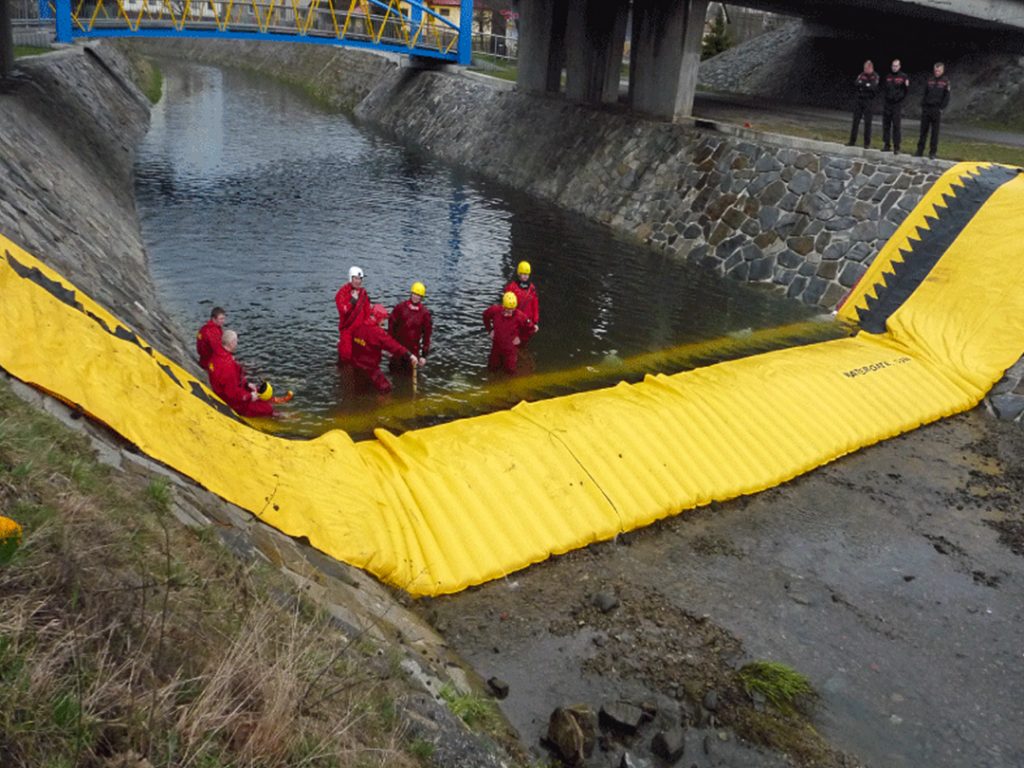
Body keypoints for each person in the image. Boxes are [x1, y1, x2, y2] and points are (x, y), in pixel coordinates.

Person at [351, 304, 418, 394]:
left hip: (356, 366)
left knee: (361, 391)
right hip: (371, 369)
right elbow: (393, 346)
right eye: (383, 319)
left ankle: (362, 405)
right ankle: (385, 406)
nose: (383, 322)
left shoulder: (358, 326)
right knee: (386, 389)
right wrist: (409, 355)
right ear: (379, 317)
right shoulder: (378, 333)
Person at [207, 329, 274, 418]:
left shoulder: (217, 355)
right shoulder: (227, 365)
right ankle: (276, 416)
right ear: (231, 343)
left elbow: (233, 381)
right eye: (236, 342)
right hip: (231, 401)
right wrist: (250, 396)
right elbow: (232, 393)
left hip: (222, 390)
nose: (237, 344)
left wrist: (247, 384)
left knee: (257, 391)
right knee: (267, 409)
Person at [483, 291, 536, 374]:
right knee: (492, 368)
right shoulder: (495, 310)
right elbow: (485, 316)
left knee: (510, 370)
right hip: (496, 346)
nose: (509, 313)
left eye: (512, 310)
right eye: (507, 310)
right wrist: (490, 330)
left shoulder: (520, 316)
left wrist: (521, 339)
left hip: (510, 349)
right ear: (503, 306)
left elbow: (531, 329)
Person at [389, 281, 432, 371]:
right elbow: (391, 327)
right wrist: (390, 347)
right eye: (414, 294)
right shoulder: (400, 308)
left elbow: (427, 336)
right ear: (411, 293)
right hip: (398, 349)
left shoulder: (425, 314)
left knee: (409, 374)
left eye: (418, 295)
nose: (416, 297)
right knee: (393, 373)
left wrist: (424, 356)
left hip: (413, 351)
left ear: (422, 297)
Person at [335, 265, 371, 364]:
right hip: (347, 331)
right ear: (350, 278)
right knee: (346, 358)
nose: (358, 281)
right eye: (356, 278)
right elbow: (344, 311)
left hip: (360, 332)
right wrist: (353, 300)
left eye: (360, 279)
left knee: (360, 358)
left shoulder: (363, 294)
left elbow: (367, 313)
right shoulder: (342, 293)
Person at [916, 62, 951, 160]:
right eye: (935, 70)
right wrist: (923, 105)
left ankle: (932, 152)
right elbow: (925, 93)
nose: (937, 72)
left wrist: (941, 108)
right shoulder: (930, 80)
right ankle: (919, 150)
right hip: (927, 108)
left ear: (942, 70)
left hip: (937, 109)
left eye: (939, 70)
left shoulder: (945, 81)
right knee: (923, 131)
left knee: (934, 133)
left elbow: (947, 96)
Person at [847, 60, 880, 149]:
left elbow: (873, 87)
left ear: (871, 68)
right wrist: (866, 85)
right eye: (864, 68)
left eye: (867, 68)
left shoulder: (875, 76)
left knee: (867, 123)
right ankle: (852, 141)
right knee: (855, 122)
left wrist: (863, 85)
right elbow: (856, 83)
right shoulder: (861, 75)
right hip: (859, 101)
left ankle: (866, 143)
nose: (865, 69)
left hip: (869, 101)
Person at [881, 59, 910, 154]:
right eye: (893, 66)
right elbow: (884, 89)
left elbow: (906, 91)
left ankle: (896, 147)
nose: (894, 67)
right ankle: (886, 145)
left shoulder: (903, 77)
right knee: (886, 125)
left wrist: (899, 99)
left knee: (896, 126)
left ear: (899, 66)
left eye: (896, 66)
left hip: (897, 105)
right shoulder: (888, 76)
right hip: (888, 104)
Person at [503, 260, 539, 337]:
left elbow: (535, 305)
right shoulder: (512, 287)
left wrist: (535, 322)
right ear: (519, 274)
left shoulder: (532, 288)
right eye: (523, 274)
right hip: (514, 320)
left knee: (524, 341)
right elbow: (505, 303)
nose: (525, 276)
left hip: (527, 321)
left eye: (527, 274)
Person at [195, 306, 226, 370]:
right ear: (214, 319)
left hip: (203, 360)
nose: (223, 321)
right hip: (209, 364)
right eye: (221, 319)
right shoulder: (213, 332)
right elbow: (218, 350)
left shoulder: (204, 328)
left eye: (223, 318)